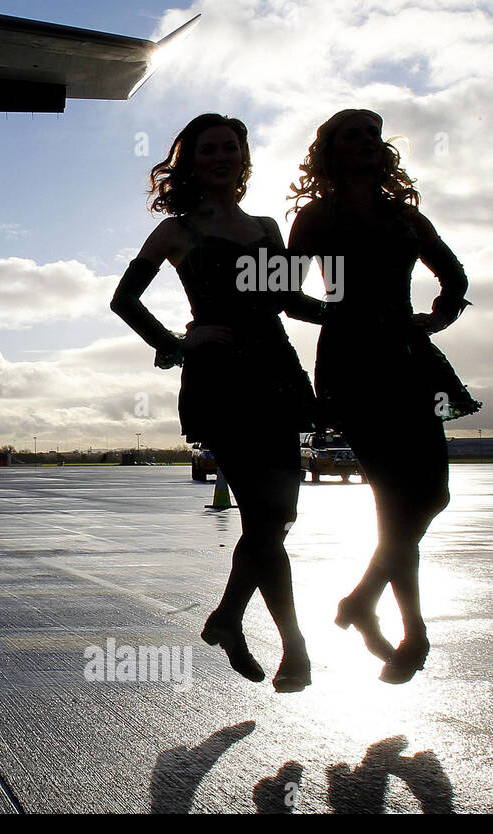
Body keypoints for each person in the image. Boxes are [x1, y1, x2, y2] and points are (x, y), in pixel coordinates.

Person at [110, 113, 326, 693]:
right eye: (209, 149)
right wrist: (178, 343)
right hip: (221, 379)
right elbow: (124, 300)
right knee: (266, 517)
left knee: (274, 519)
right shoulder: (177, 232)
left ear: (242, 157)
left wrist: (367, 316)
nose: (221, 157)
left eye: (230, 148)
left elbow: (287, 301)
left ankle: (231, 619)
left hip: (276, 374)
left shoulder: (264, 228)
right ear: (190, 161)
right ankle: (289, 644)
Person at [288, 109, 478, 684]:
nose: (368, 142)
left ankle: (362, 600)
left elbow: (455, 276)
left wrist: (435, 320)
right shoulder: (318, 217)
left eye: (374, 134)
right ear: (331, 151)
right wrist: (342, 316)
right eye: (355, 135)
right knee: (396, 502)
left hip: (411, 361)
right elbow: (285, 293)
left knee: (432, 497)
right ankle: (412, 629)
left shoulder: (405, 218)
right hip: (352, 365)